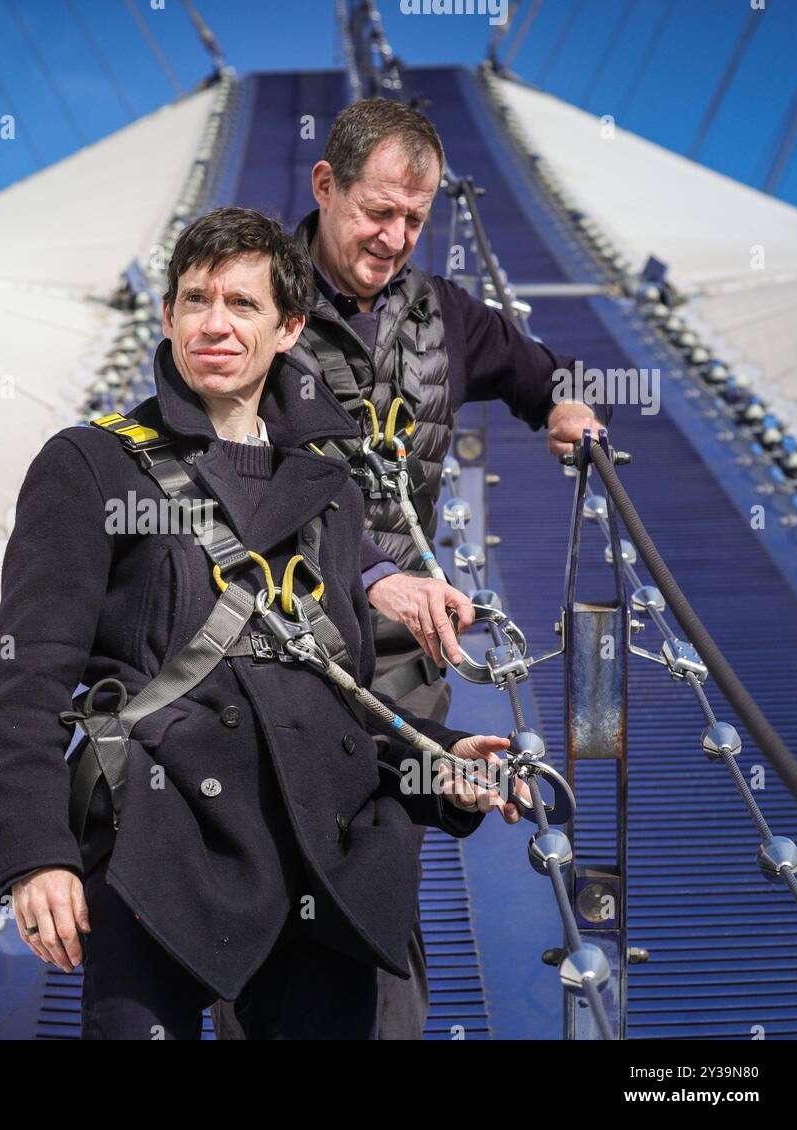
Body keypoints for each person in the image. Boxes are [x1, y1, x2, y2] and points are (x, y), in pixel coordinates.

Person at [0, 206, 525, 1041]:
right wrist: (35, 851)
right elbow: (27, 678)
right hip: (156, 849)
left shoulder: (329, 492)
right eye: (196, 300)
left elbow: (334, 696)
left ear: (288, 329)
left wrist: (437, 757)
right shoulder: (88, 464)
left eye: (243, 305)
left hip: (321, 859)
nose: (216, 324)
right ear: (167, 318)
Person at [215, 97, 608, 1040]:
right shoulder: (253, 306)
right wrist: (365, 574)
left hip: (398, 656)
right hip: (273, 635)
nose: (394, 237)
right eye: (377, 211)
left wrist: (566, 406)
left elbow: (536, 368)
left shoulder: (446, 316)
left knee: (377, 853)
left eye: (414, 219)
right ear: (324, 185)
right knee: (269, 857)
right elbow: (221, 478)